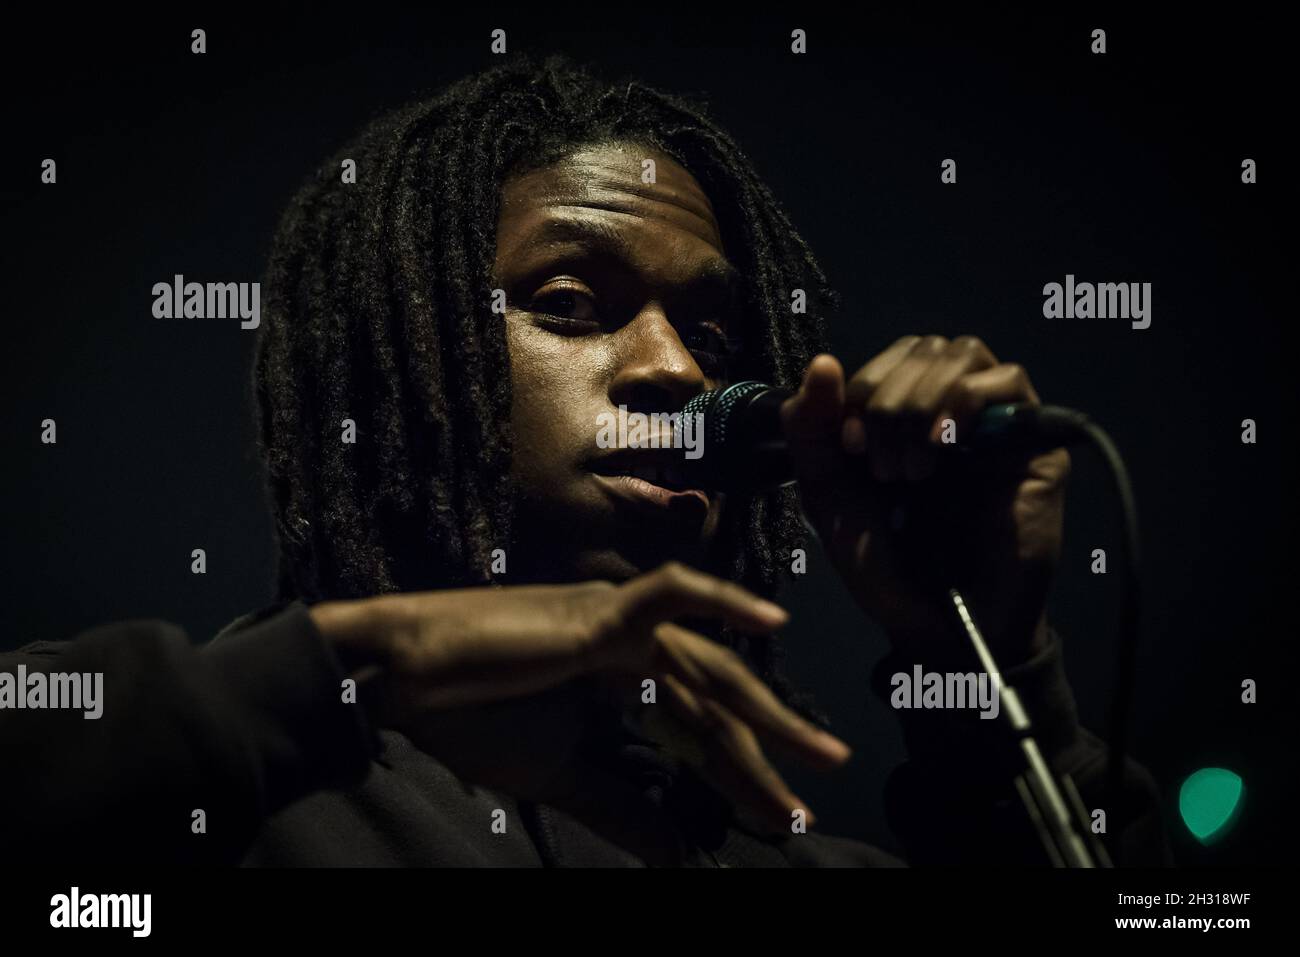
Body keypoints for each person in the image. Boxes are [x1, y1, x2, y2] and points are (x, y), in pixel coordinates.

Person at [1, 56, 1167, 867]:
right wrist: (361, 668)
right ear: (393, 356)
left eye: (714, 337)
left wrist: (986, 652)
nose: (673, 370)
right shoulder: (217, 810)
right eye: (568, 303)